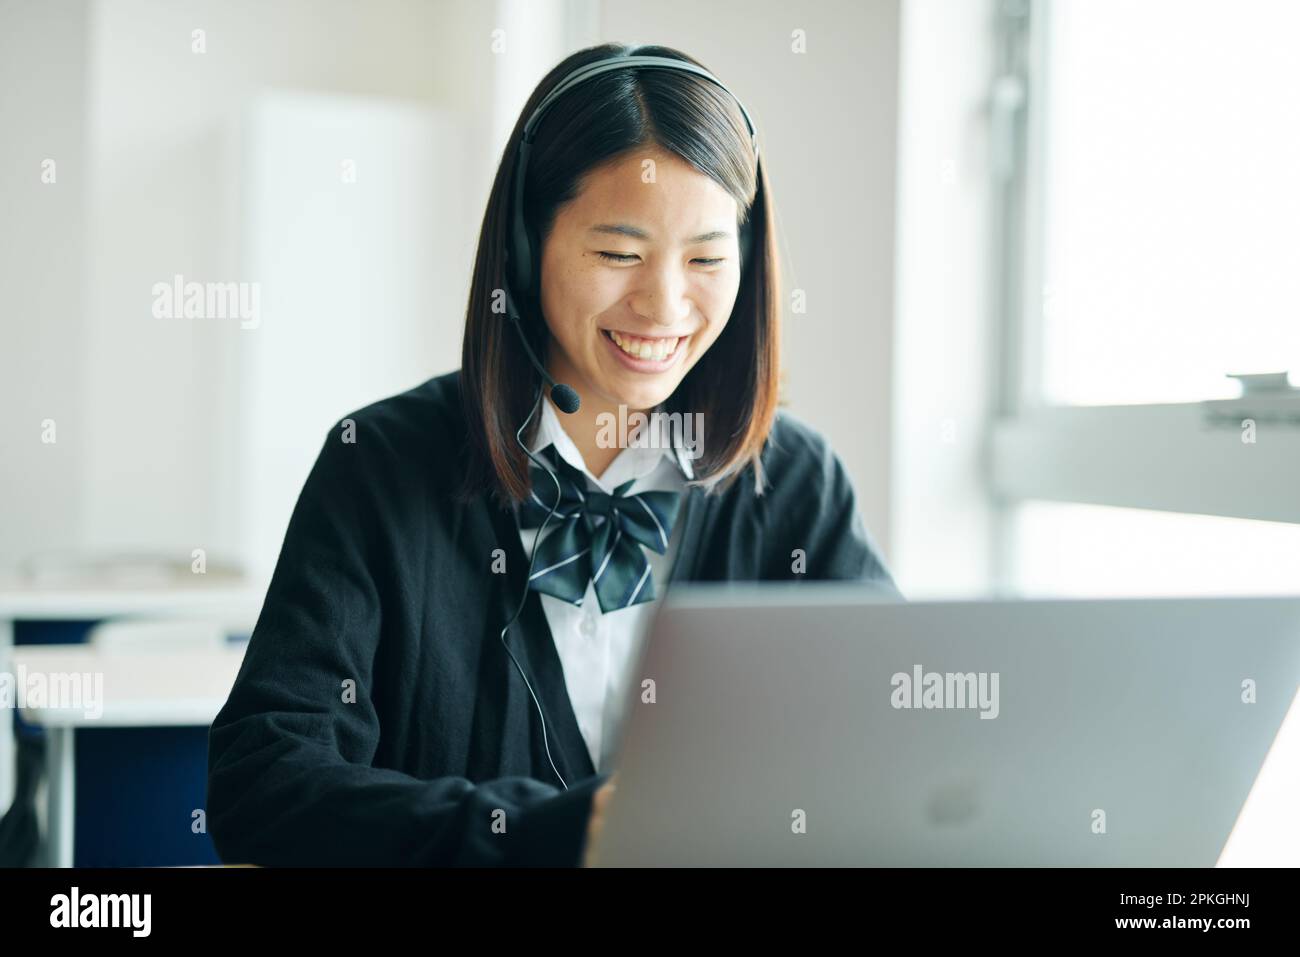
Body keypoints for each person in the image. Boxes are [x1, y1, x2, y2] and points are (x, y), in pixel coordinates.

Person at [206, 42, 901, 867]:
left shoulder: (792, 483)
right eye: (618, 254)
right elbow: (265, 782)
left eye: (708, 258)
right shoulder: (380, 465)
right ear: (527, 246)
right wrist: (544, 836)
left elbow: (896, 744)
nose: (665, 304)